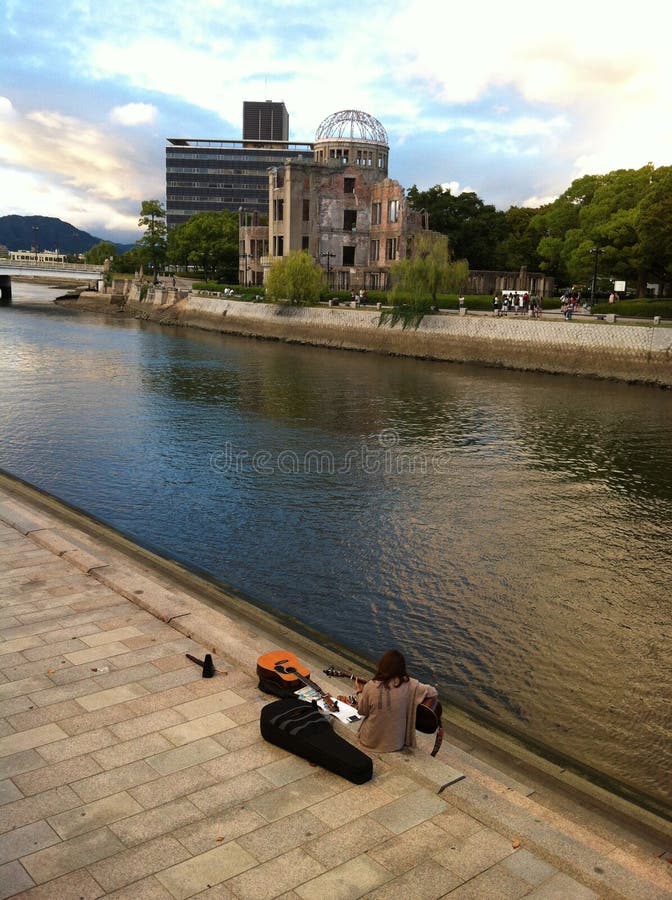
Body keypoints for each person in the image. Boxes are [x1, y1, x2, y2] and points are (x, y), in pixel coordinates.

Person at [354, 650, 438, 752]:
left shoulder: (371, 686)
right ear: (402, 667)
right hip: (396, 744)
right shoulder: (411, 685)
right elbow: (433, 692)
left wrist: (359, 692)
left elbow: (362, 711)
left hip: (370, 742)